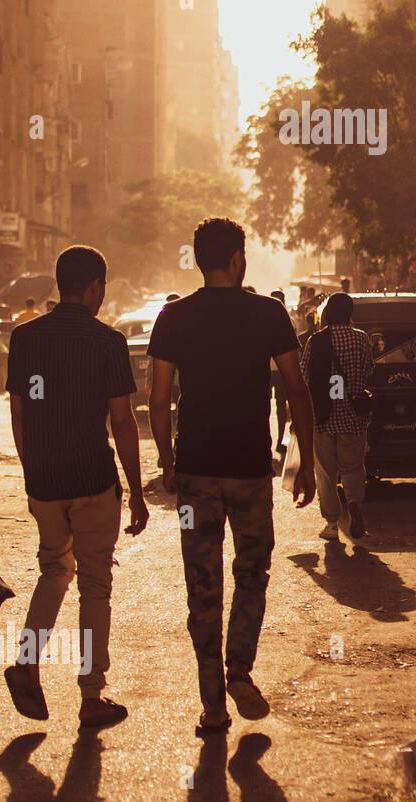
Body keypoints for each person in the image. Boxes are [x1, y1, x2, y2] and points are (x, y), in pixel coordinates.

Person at [148, 217, 316, 736]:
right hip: (249, 470)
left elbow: (158, 400)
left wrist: (167, 462)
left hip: (196, 469)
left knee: (202, 587)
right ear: (239, 259)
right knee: (251, 574)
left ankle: (213, 706)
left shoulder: (173, 317)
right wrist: (306, 459)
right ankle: (239, 666)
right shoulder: (268, 313)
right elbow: (296, 388)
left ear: (199, 260)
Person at [4, 244, 149, 730]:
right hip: (92, 478)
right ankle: (91, 696)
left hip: (46, 483)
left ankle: (27, 662)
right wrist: (137, 490)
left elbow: (20, 415)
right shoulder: (106, 342)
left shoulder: (25, 338)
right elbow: (122, 422)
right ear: (94, 289)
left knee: (52, 572)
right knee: (95, 585)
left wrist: (33, 473)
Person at [300, 291, 373, 542]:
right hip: (353, 416)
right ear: (350, 312)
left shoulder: (317, 340)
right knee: (353, 467)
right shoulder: (361, 338)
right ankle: (354, 504)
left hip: (324, 416)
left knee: (326, 472)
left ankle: (332, 523)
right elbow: (368, 370)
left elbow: (305, 375)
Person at [270, 290, 289, 459]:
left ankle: (279, 440)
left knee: (281, 408)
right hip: (268, 371)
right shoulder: (262, 318)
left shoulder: (288, 320)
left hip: (280, 371)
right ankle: (270, 441)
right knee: (266, 407)